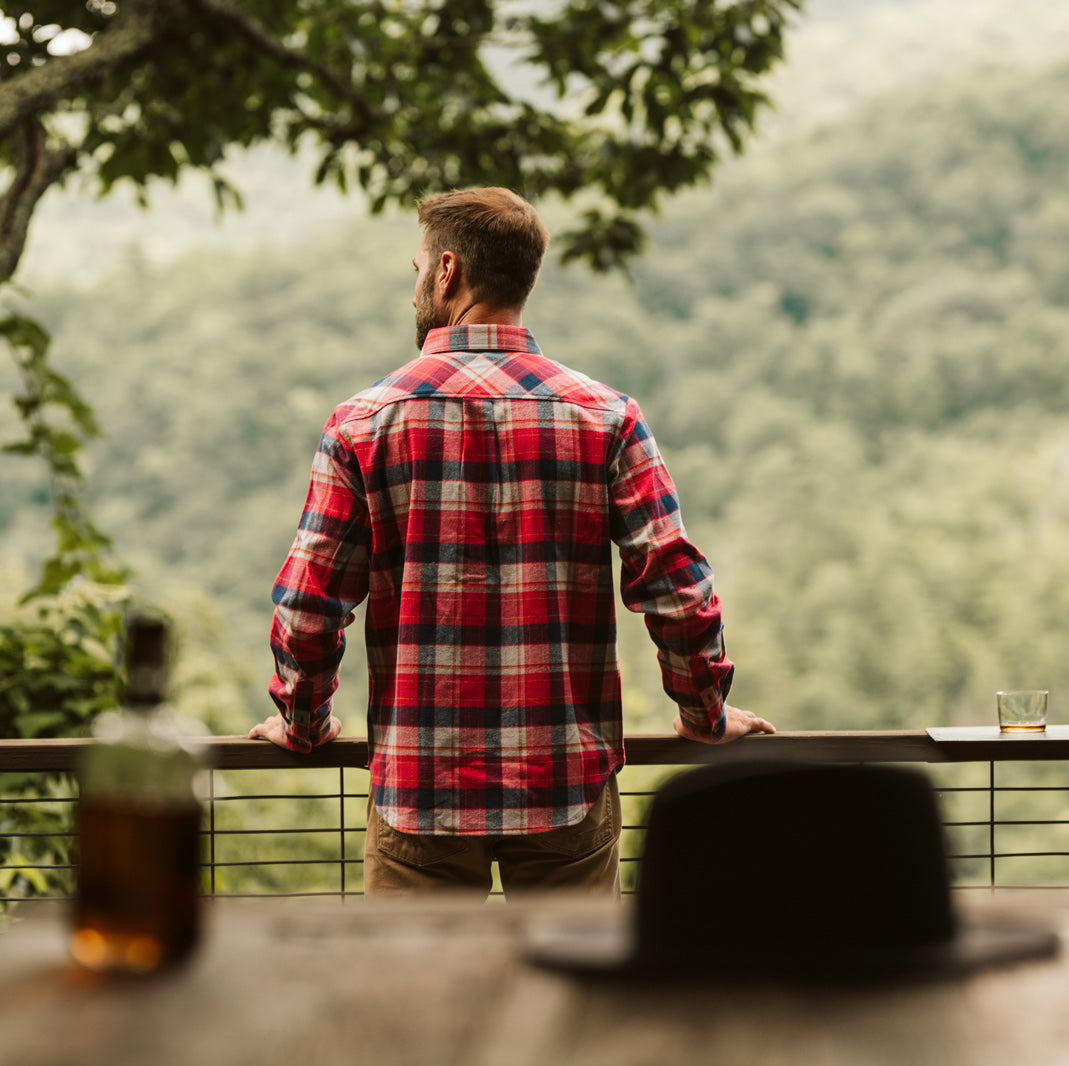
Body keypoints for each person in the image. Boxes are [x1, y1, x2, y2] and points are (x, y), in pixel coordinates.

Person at [248, 187, 774, 898]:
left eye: (415, 272)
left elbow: (308, 608)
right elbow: (678, 588)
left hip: (418, 795)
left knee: (417, 1008)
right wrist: (702, 713)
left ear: (445, 271)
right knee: (571, 1004)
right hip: (565, 788)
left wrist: (305, 725)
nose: (413, 295)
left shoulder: (361, 425)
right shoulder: (606, 418)